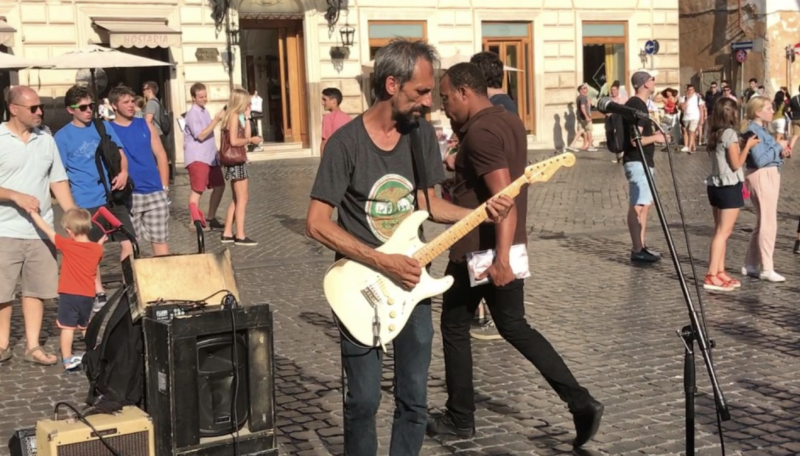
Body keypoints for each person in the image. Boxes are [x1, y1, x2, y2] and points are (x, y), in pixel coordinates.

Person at [305, 39, 512, 456]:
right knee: (363, 401)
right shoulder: (345, 144)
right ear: (391, 84)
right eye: (420, 92)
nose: (429, 102)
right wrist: (382, 261)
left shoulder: (418, 135)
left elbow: (428, 204)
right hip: (361, 286)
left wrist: (482, 212)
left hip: (413, 284)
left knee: (414, 399)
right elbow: (316, 223)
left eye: (431, 92)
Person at [425, 62, 603, 448]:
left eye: (445, 98)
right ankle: (580, 401)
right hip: (501, 245)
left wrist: (501, 259)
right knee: (514, 326)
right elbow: (497, 174)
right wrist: (458, 163)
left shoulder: (482, 134)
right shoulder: (505, 121)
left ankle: (460, 418)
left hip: (481, 250)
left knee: (455, 326)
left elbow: (502, 199)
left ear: (463, 92)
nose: (443, 106)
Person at [0, 85, 75, 366]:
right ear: (14, 109)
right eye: (33, 108)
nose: (40, 112)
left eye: (40, 106)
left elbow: (57, 180)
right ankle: (2, 343)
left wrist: (73, 216)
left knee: (36, 290)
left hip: (41, 230)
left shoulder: (46, 139)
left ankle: (32, 346)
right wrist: (13, 195)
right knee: (2, 293)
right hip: (3, 230)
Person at [54, 85, 135, 313]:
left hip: (112, 196)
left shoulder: (103, 126)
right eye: (83, 107)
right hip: (85, 200)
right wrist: (69, 207)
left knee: (129, 241)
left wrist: (124, 172)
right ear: (71, 110)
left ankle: (129, 285)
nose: (89, 110)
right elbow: (58, 175)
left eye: (92, 106)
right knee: (91, 249)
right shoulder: (62, 138)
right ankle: (98, 291)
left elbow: (120, 153)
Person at [28, 207, 104, 370]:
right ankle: (95, 352)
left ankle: (68, 359)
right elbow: (94, 257)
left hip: (69, 294)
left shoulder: (67, 245)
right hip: (87, 296)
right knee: (85, 326)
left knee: (67, 328)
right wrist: (100, 243)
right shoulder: (97, 249)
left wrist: (34, 213)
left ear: (69, 231)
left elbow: (48, 230)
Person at [704, 97, 760, 291]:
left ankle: (720, 271)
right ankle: (711, 274)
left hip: (715, 185)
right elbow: (736, 164)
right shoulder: (729, 134)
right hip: (728, 186)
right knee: (723, 232)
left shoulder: (713, 132)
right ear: (731, 113)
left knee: (720, 231)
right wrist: (747, 147)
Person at [109, 86, 171, 256]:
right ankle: (129, 282)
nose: (131, 105)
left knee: (160, 241)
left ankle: (164, 281)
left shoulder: (145, 125)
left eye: (132, 101)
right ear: (114, 106)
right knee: (129, 245)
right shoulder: (108, 130)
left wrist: (164, 187)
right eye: (126, 102)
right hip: (129, 195)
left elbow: (161, 155)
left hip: (155, 192)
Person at [742, 96, 791, 283]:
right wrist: (778, 146)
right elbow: (759, 159)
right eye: (769, 108)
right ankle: (766, 267)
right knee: (769, 223)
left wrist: (781, 152)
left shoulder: (763, 130)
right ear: (757, 112)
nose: (772, 111)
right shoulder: (752, 132)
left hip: (769, 174)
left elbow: (767, 155)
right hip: (762, 176)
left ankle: (751, 264)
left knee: (762, 221)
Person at [622, 71, 668, 263]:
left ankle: (641, 246)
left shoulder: (637, 105)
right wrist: (657, 137)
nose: (654, 82)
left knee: (645, 205)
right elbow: (635, 140)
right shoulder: (637, 105)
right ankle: (637, 249)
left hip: (642, 161)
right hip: (638, 161)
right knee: (638, 206)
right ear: (645, 84)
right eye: (652, 79)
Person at [220, 87, 260, 246]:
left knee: (238, 198)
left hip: (237, 160)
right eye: (247, 102)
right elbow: (235, 141)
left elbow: (247, 135)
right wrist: (251, 141)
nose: (249, 104)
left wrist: (248, 118)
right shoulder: (234, 116)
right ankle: (240, 235)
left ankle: (228, 232)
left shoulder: (233, 115)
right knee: (242, 198)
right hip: (236, 160)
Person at [184, 82, 226, 230]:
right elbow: (201, 135)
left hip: (210, 156)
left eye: (205, 96)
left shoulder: (204, 111)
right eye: (201, 97)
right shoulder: (192, 114)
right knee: (198, 189)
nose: (204, 99)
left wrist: (216, 153)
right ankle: (194, 221)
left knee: (219, 186)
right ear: (193, 97)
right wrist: (216, 120)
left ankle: (210, 217)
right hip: (197, 157)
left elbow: (209, 134)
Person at [320, 87, 350, 155]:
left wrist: (323, 163)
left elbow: (325, 143)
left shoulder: (328, 118)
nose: (323, 103)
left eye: (325, 100)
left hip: (333, 157)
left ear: (334, 101)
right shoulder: (348, 118)